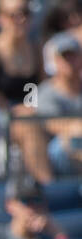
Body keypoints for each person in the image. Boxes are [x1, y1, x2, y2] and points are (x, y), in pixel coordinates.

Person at [18, 32, 82, 181]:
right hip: (59, 152)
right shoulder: (45, 92)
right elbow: (55, 125)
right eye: (64, 57)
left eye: (73, 56)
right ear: (53, 61)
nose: (70, 62)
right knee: (70, 140)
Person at [0, 175, 68, 239]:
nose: (32, 207)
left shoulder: (49, 238)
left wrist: (57, 234)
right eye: (25, 201)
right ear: (9, 206)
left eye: (37, 200)